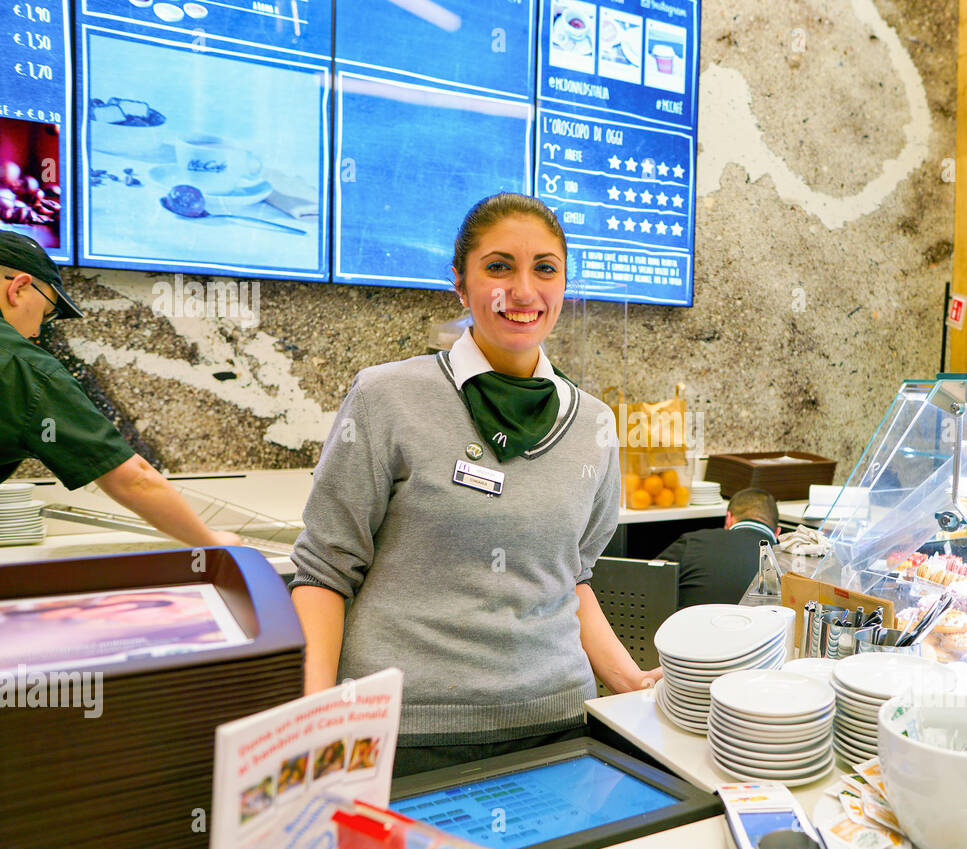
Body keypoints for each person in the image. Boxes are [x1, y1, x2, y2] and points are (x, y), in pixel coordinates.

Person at [290, 193, 661, 776]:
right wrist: (313, 722)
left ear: (564, 286)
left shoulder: (594, 422)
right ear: (460, 285)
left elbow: (572, 577)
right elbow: (324, 573)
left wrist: (629, 681)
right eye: (498, 267)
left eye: (545, 268)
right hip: (405, 733)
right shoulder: (388, 397)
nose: (523, 290)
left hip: (558, 728)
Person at [0, 230, 240, 547]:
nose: (36, 332)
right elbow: (133, 479)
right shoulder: (22, 366)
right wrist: (212, 540)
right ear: (18, 289)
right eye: (47, 315)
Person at [655, 487, 781, 609]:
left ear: (728, 518)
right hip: (759, 630)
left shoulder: (691, 542)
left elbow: (647, 583)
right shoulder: (788, 562)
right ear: (777, 533)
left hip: (691, 628)